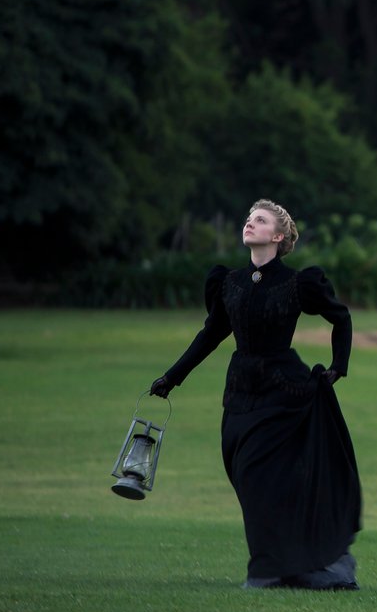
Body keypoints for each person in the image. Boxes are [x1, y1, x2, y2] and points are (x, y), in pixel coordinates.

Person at [149, 199, 362, 590]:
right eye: (249, 218)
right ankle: (286, 563)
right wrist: (172, 377)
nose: (249, 223)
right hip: (240, 393)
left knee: (264, 479)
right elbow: (211, 334)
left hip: (284, 393)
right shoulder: (229, 283)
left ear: (278, 237)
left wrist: (338, 366)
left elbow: (341, 317)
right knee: (246, 477)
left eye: (260, 220)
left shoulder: (298, 283)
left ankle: (268, 572)